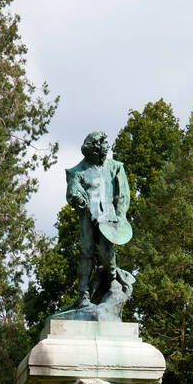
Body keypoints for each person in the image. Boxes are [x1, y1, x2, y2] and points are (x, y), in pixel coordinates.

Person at [65, 131, 133, 310]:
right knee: (86, 253)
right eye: (103, 144)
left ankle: (112, 281)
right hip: (88, 218)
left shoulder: (115, 167)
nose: (106, 147)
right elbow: (72, 193)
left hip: (109, 219)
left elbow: (123, 195)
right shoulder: (77, 171)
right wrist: (77, 199)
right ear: (94, 148)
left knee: (106, 250)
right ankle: (83, 294)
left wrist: (121, 216)